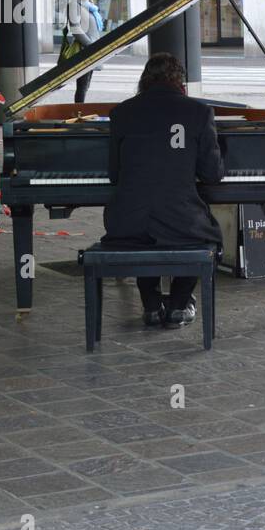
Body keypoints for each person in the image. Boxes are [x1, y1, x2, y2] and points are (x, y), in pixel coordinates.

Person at [102, 52, 225, 329]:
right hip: (180, 218)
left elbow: (114, 175)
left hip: (127, 221)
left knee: (146, 233)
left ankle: (152, 305)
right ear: (180, 80)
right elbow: (212, 175)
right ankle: (180, 303)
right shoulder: (199, 112)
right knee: (207, 234)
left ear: (144, 80)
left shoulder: (121, 113)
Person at [64, 0, 104, 103]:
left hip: (92, 49)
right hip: (84, 50)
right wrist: (89, 45)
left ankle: (81, 109)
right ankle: (79, 110)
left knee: (86, 85)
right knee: (82, 85)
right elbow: (75, 28)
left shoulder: (92, 8)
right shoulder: (75, 5)